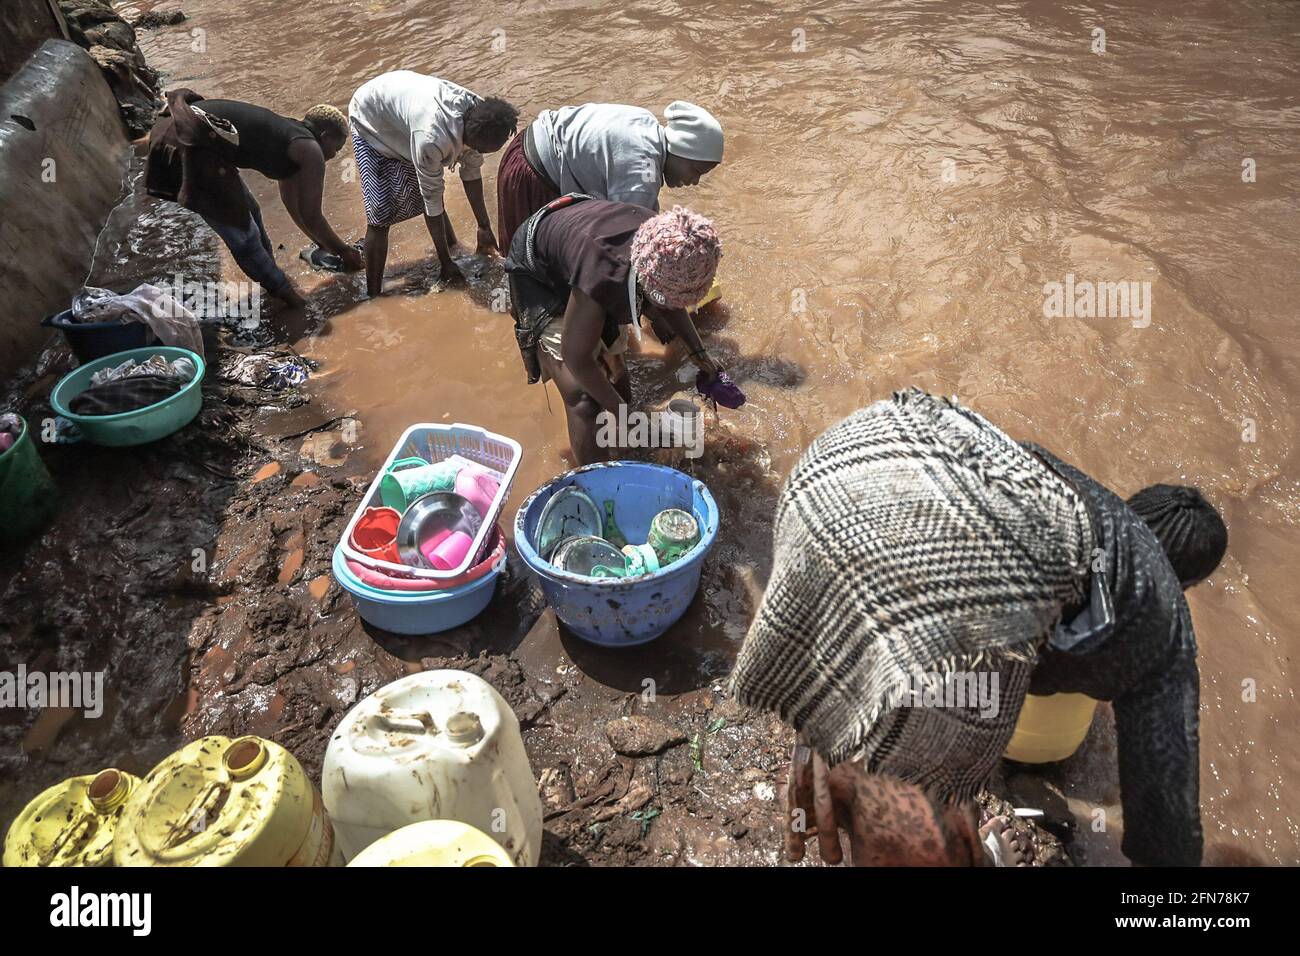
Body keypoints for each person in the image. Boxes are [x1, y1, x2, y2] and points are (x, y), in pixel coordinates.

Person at [729, 388, 1228, 867]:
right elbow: (1167, 833)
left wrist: (824, 711)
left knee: (905, 738)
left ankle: (855, 789)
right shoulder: (1164, 624)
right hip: (912, 553)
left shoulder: (1066, 497)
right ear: (1190, 581)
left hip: (845, 463)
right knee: (917, 789)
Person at [504, 196, 724, 464]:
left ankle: (626, 447)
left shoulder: (668, 243)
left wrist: (699, 354)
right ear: (647, 280)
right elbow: (576, 358)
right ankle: (595, 482)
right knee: (583, 399)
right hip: (540, 271)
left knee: (615, 368)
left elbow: (671, 298)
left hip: (585, 253)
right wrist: (626, 416)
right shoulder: (606, 272)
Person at [145, 90, 359, 306]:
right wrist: (344, 251)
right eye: (337, 148)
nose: (334, 156)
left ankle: (273, 277)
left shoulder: (292, 138)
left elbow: (296, 207)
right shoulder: (310, 150)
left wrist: (322, 243)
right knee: (244, 235)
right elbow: (312, 216)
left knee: (252, 211)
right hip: (188, 141)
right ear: (325, 137)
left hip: (181, 131)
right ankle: (290, 298)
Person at [348, 71, 518, 295]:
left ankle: (452, 249)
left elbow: (471, 172)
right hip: (371, 119)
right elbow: (432, 198)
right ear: (472, 139)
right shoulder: (431, 138)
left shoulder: (482, 115)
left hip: (402, 109)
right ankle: (373, 294)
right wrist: (445, 264)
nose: (480, 154)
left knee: (428, 193)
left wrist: (483, 227)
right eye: (480, 150)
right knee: (381, 212)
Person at [496, 101, 723, 252]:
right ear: (681, 150)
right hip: (532, 177)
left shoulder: (646, 123)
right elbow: (630, 247)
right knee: (534, 276)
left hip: (521, 149)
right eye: (695, 170)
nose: (694, 181)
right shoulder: (642, 171)